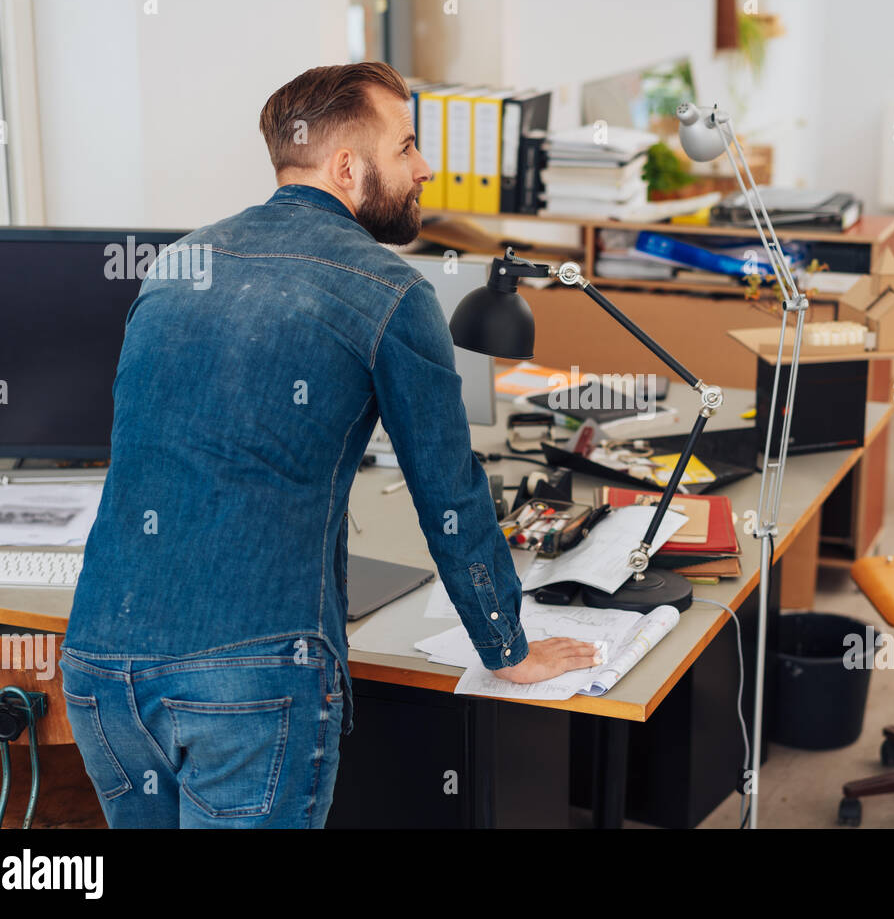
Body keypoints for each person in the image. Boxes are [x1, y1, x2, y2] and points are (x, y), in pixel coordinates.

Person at [60, 61, 598, 828]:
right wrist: (506, 645)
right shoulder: (389, 289)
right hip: (246, 688)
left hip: (100, 668)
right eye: (407, 145)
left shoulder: (175, 266)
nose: (425, 166)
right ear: (348, 167)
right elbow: (448, 496)